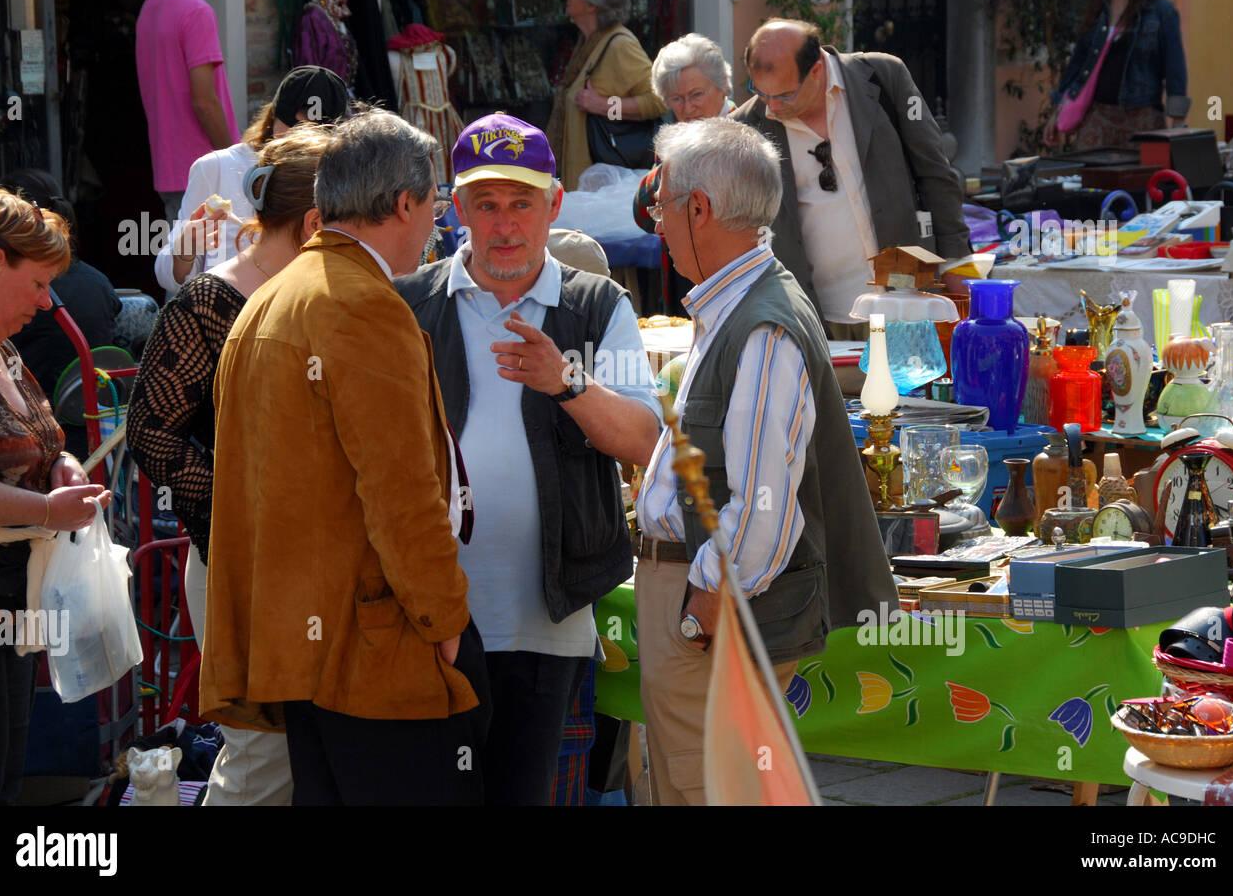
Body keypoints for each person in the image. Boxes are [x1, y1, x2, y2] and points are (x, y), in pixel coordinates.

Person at [200, 108, 489, 805]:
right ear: (403, 203)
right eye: (436, 205)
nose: (438, 225)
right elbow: (402, 495)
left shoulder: (269, 298)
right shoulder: (361, 304)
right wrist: (444, 622)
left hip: (309, 649)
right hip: (375, 650)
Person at [395, 112, 661, 804]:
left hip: (550, 617)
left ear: (554, 207)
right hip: (429, 623)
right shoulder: (408, 307)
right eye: (486, 205)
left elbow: (643, 441)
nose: (505, 225)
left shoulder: (595, 306)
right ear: (457, 211)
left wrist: (566, 382)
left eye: (522, 204)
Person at [634, 118, 897, 806]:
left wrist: (703, 605)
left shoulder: (762, 323)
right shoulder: (743, 304)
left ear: (700, 209)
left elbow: (761, 505)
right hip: (703, 614)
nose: (656, 224)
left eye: (661, 205)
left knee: (707, 791)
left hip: (711, 619)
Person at [128, 125, 334, 805]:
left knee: (302, 757)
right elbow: (153, 435)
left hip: (312, 570)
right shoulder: (209, 301)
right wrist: (244, 513)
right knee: (262, 760)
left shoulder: (326, 295)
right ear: (312, 222)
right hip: (239, 567)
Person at [0, 189, 113, 805]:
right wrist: (47, 511)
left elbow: (46, 442)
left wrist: (66, 466)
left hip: (7, 599)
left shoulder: (2, 349)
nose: (48, 301)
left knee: (2, 774)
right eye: (38, 283)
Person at [734, 19, 970, 337]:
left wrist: (956, 264)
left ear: (816, 69)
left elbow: (935, 173)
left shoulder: (885, 77)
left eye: (785, 95)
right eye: (760, 93)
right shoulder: (746, 125)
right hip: (815, 318)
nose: (773, 107)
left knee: (913, 387)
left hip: (905, 302)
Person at [154, 65, 351, 297]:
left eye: (315, 134)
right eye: (294, 126)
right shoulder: (216, 167)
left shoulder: (338, 180)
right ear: (275, 115)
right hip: (225, 317)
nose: (300, 140)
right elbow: (167, 274)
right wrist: (184, 250)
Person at [2, 170, 121, 461]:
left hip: (45, 438)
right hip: (94, 437)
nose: (45, 300)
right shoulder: (100, 282)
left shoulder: (14, 292)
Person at [1046, 0, 1188, 150]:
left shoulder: (1162, 11)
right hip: (1098, 117)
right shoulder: (1096, 7)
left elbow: (1175, 70)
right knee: (1089, 180)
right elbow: (1078, 64)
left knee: (1140, 182)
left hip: (1143, 118)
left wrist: (1178, 123)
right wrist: (1057, 111)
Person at [136, 0, 238, 223]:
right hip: (206, 173)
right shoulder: (195, 11)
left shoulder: (150, 8)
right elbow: (204, 102)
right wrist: (232, 159)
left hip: (170, 172)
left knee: (183, 265)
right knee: (213, 267)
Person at [634, 33, 737, 315]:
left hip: (738, 290)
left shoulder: (748, 134)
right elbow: (643, 214)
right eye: (677, 99)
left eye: (696, 95)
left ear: (723, 86)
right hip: (685, 295)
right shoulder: (674, 143)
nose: (688, 108)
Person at [545, 0, 665, 190]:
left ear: (592, 4)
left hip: (602, 190)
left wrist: (603, 105)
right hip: (584, 184)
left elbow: (659, 100)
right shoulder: (588, 42)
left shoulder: (620, 45)